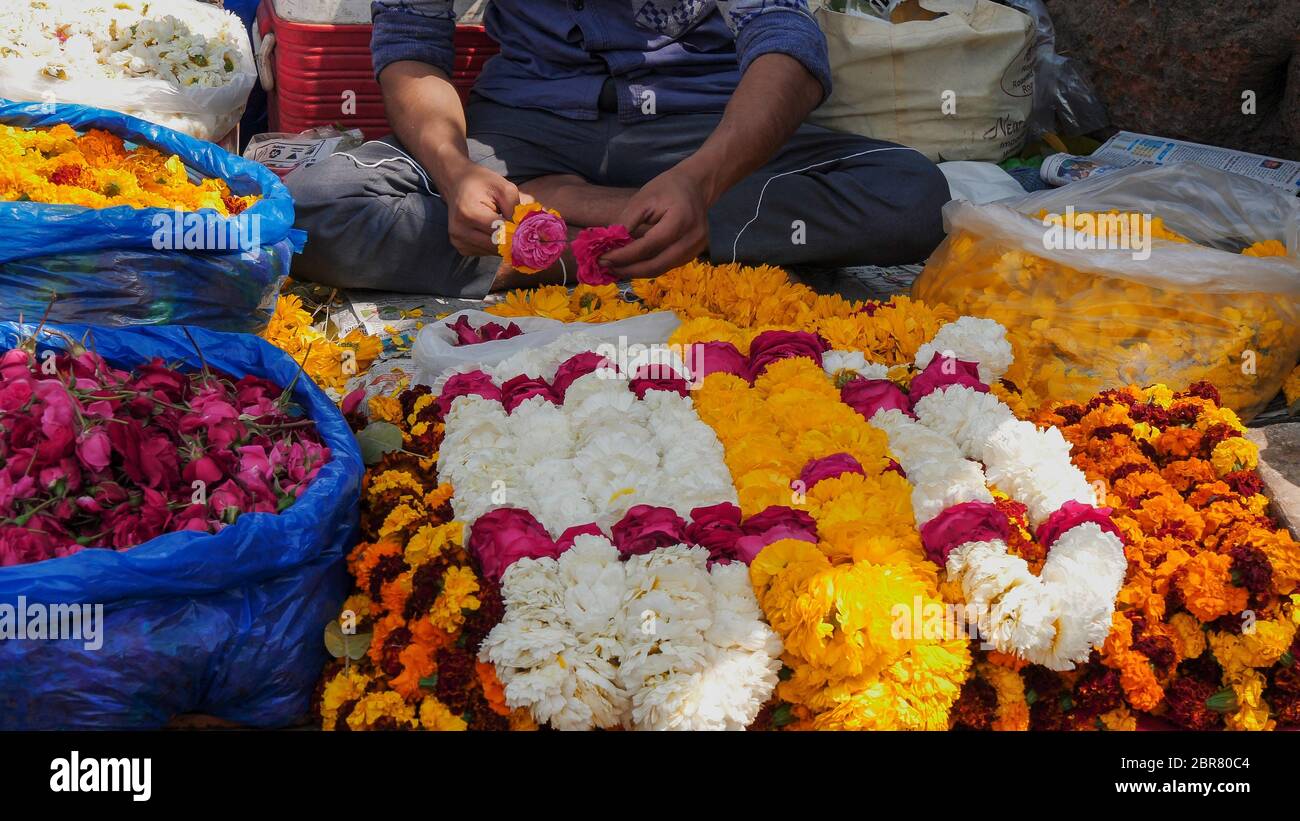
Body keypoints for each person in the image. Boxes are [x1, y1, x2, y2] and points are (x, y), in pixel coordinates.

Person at [286, 0, 951, 297]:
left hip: (700, 135)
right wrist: (456, 168)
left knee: (912, 197)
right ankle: (649, 233)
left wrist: (702, 180)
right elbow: (411, 47)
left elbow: (788, 46)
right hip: (523, 134)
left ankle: (551, 244)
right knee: (312, 206)